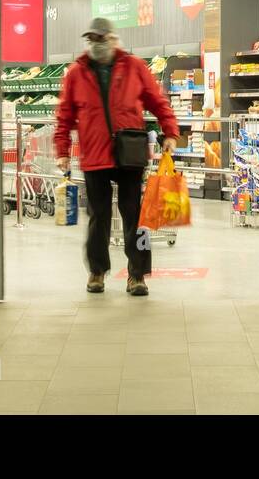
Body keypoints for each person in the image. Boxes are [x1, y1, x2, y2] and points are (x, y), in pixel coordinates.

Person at [54, 18, 180, 297]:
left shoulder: (134, 67)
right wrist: (61, 150)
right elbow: (64, 115)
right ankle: (96, 272)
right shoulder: (76, 72)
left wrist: (170, 131)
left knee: (136, 216)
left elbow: (158, 101)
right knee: (98, 216)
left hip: (130, 152)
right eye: (92, 40)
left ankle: (138, 276)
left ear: (113, 39)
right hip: (94, 155)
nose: (96, 44)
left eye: (101, 39)